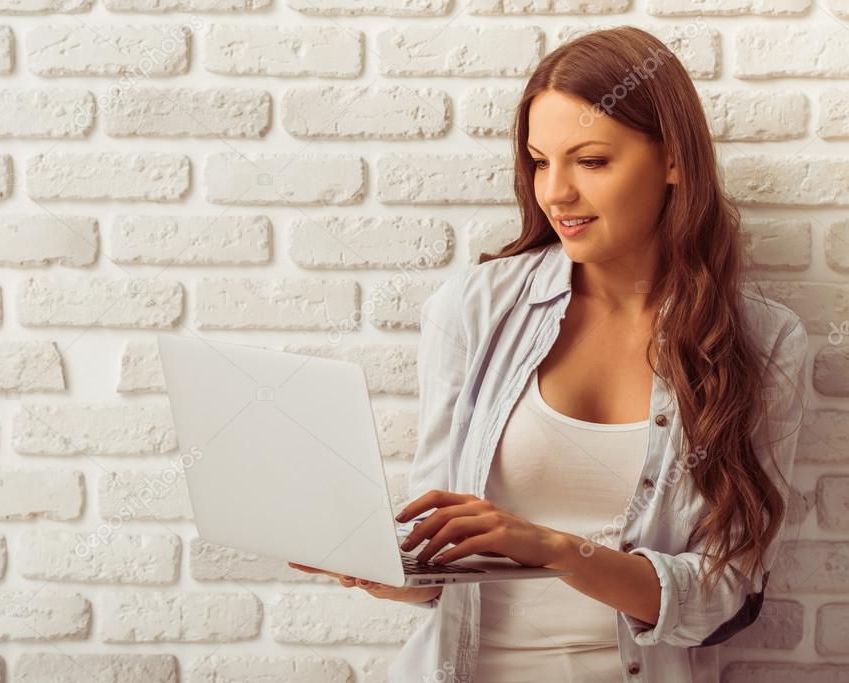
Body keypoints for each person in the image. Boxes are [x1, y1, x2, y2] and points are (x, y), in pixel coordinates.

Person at [292, 25, 810, 683]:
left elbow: (724, 593)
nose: (555, 192)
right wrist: (379, 567)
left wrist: (554, 549)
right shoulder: (473, 309)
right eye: (540, 160)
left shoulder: (761, 342)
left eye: (589, 161)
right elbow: (433, 563)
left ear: (673, 160)